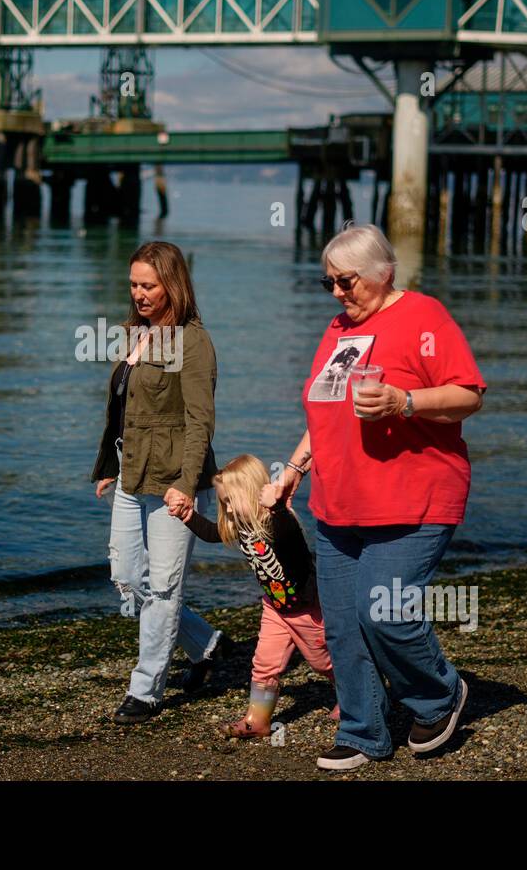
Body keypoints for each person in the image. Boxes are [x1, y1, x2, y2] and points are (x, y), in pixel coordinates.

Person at [274, 222, 486, 771]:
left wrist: (404, 402)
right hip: (339, 502)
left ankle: (440, 695)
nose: (339, 293)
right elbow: (324, 409)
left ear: (382, 273)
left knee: (383, 609)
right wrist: (297, 466)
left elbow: (468, 395)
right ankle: (364, 730)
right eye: (329, 284)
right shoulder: (338, 329)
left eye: (347, 282)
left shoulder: (424, 317)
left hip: (413, 497)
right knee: (343, 623)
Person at [91, 241, 232, 724]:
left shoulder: (193, 342)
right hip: (132, 473)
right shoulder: (137, 333)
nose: (139, 294)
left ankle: (146, 690)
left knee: (164, 587)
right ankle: (208, 645)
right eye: (133, 284)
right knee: (129, 580)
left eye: (148, 285)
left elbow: (200, 422)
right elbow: (126, 407)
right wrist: (109, 466)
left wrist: (188, 484)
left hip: (174, 479)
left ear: (173, 285)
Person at [174, 453, 337, 738]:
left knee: (323, 662)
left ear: (251, 492)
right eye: (223, 502)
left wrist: (278, 509)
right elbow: (214, 533)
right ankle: (258, 719)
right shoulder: (242, 525)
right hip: (274, 608)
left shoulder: (277, 524)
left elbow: (293, 544)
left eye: (230, 500)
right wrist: (189, 516)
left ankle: (354, 697)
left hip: (305, 608)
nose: (228, 508)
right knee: (263, 664)